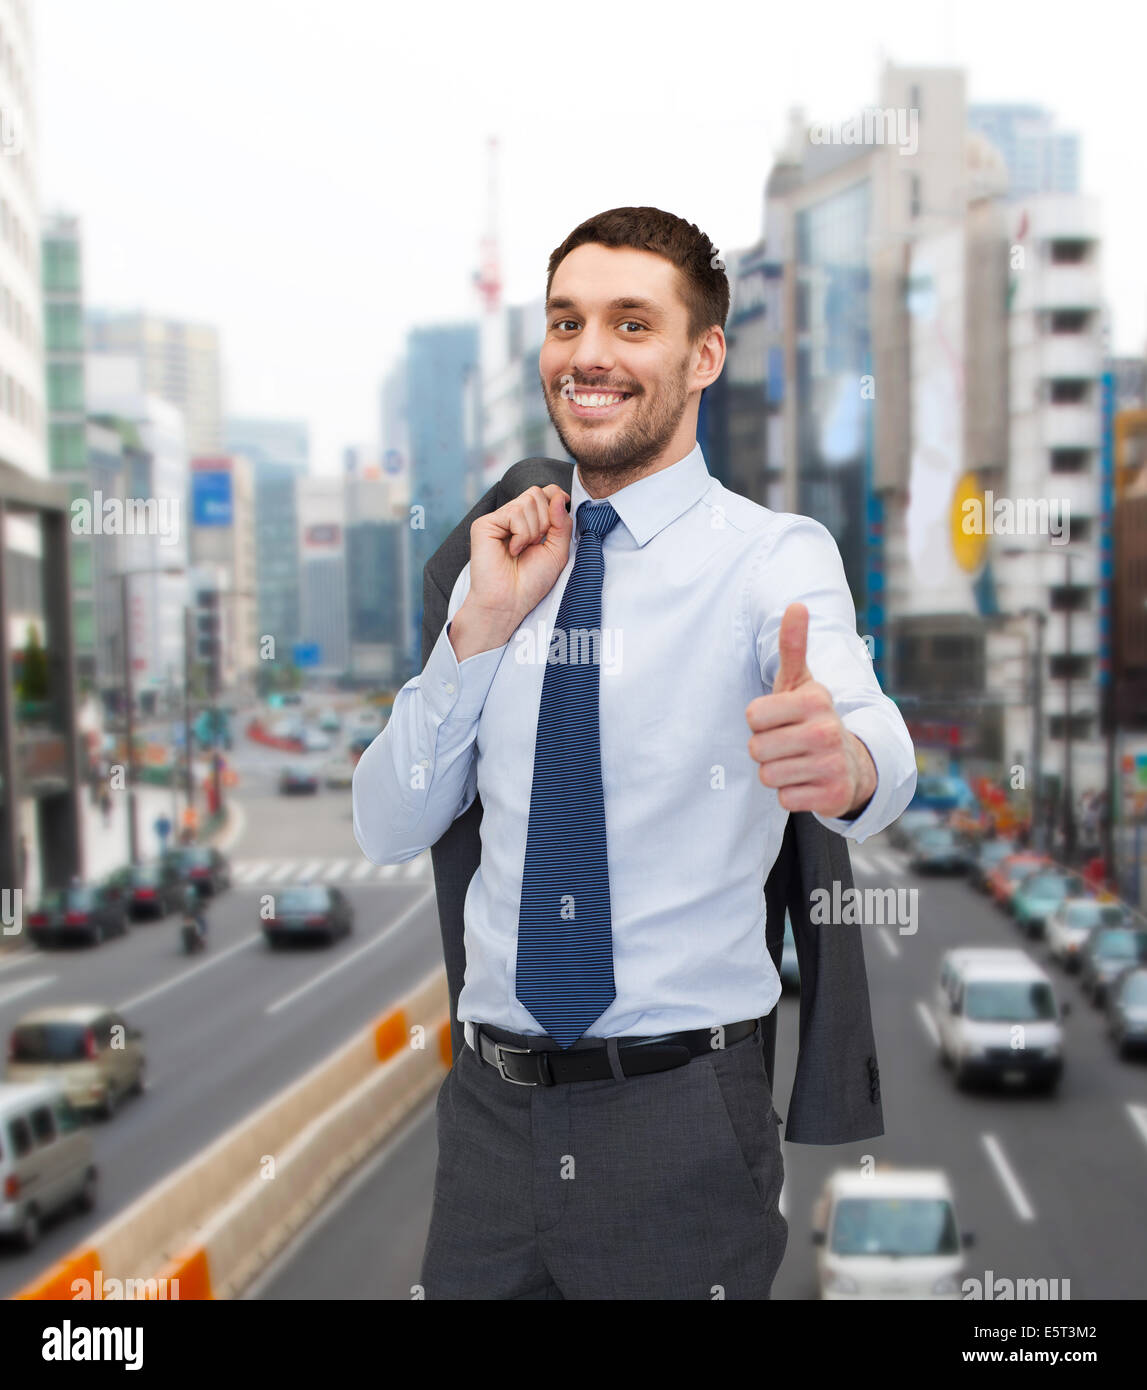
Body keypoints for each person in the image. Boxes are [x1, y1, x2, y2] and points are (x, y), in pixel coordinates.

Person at [353, 207, 917, 1300]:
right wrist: (476, 635)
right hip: (487, 1117)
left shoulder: (771, 558)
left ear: (703, 354)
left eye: (630, 322)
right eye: (566, 322)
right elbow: (386, 821)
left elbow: (876, 745)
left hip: (679, 1120)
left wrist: (841, 759)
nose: (589, 353)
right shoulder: (503, 560)